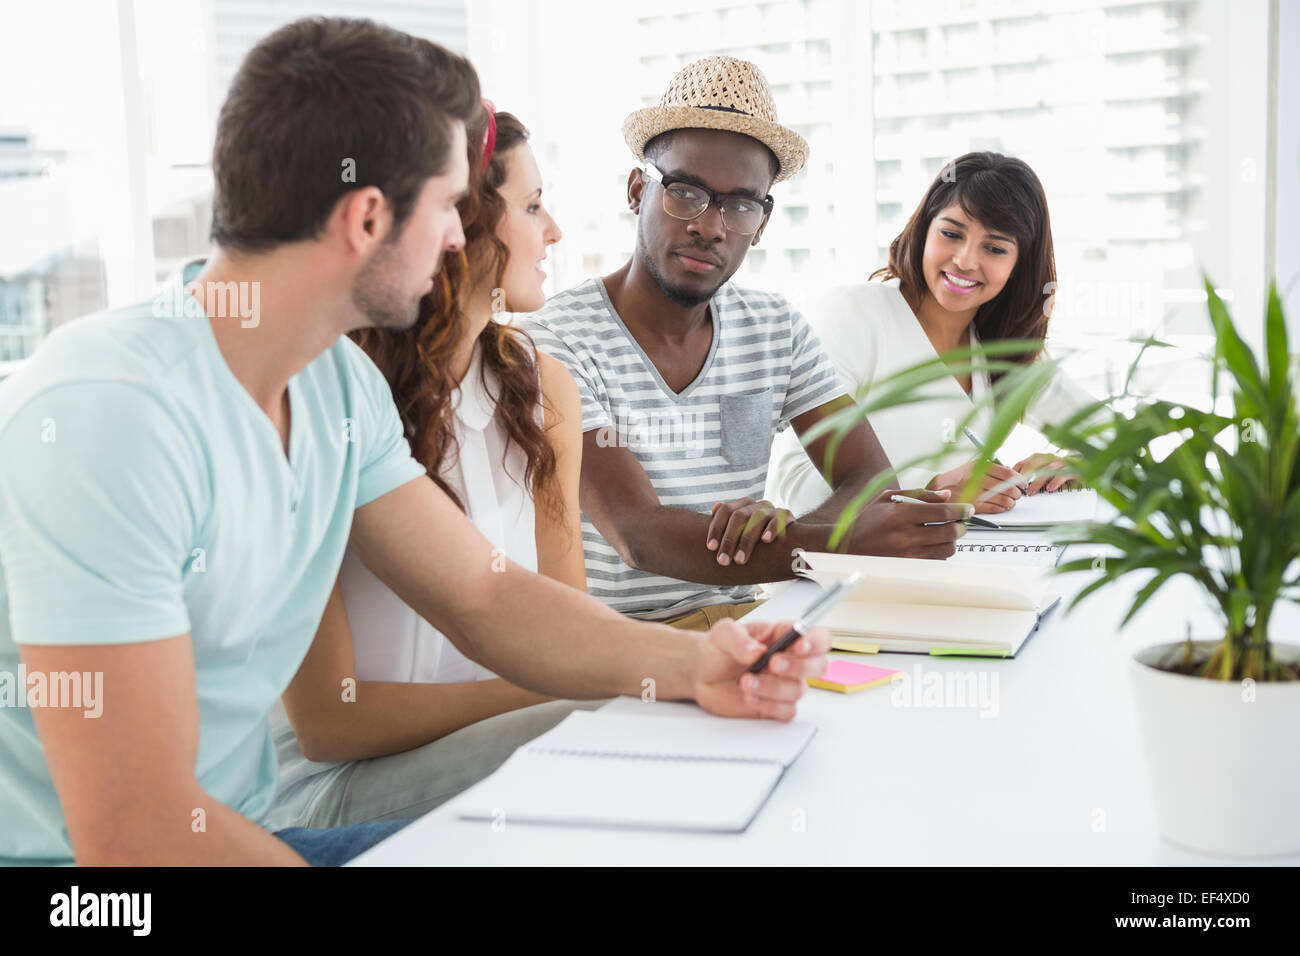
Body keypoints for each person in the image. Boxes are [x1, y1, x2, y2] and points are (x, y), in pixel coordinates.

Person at [0, 19, 829, 868]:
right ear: (367, 218)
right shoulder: (111, 414)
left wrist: (696, 666)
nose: (455, 237)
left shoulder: (334, 388)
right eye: (444, 206)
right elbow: (133, 835)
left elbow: (484, 595)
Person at [524, 56, 970, 630]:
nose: (710, 226)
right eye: (685, 193)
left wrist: (784, 534)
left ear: (762, 222)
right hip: (616, 648)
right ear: (638, 190)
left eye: (739, 205)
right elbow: (639, 535)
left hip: (749, 619)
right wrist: (828, 540)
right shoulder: (556, 339)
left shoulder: (775, 328)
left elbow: (870, 481)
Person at [266, 108, 596, 831]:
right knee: (594, 730)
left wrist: (631, 671)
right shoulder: (317, 395)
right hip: (334, 786)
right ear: (460, 225)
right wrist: (556, 689)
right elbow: (328, 719)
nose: (555, 231)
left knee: (612, 721)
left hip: (503, 744)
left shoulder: (545, 390)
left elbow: (568, 625)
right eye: (533, 207)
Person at [766, 151, 1098, 519]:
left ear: (1019, 264)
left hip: (962, 565)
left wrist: (1075, 466)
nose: (965, 261)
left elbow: (1122, 442)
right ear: (924, 228)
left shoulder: (1008, 351)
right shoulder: (852, 315)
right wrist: (932, 485)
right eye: (951, 233)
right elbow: (795, 485)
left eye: (994, 248)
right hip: (854, 570)